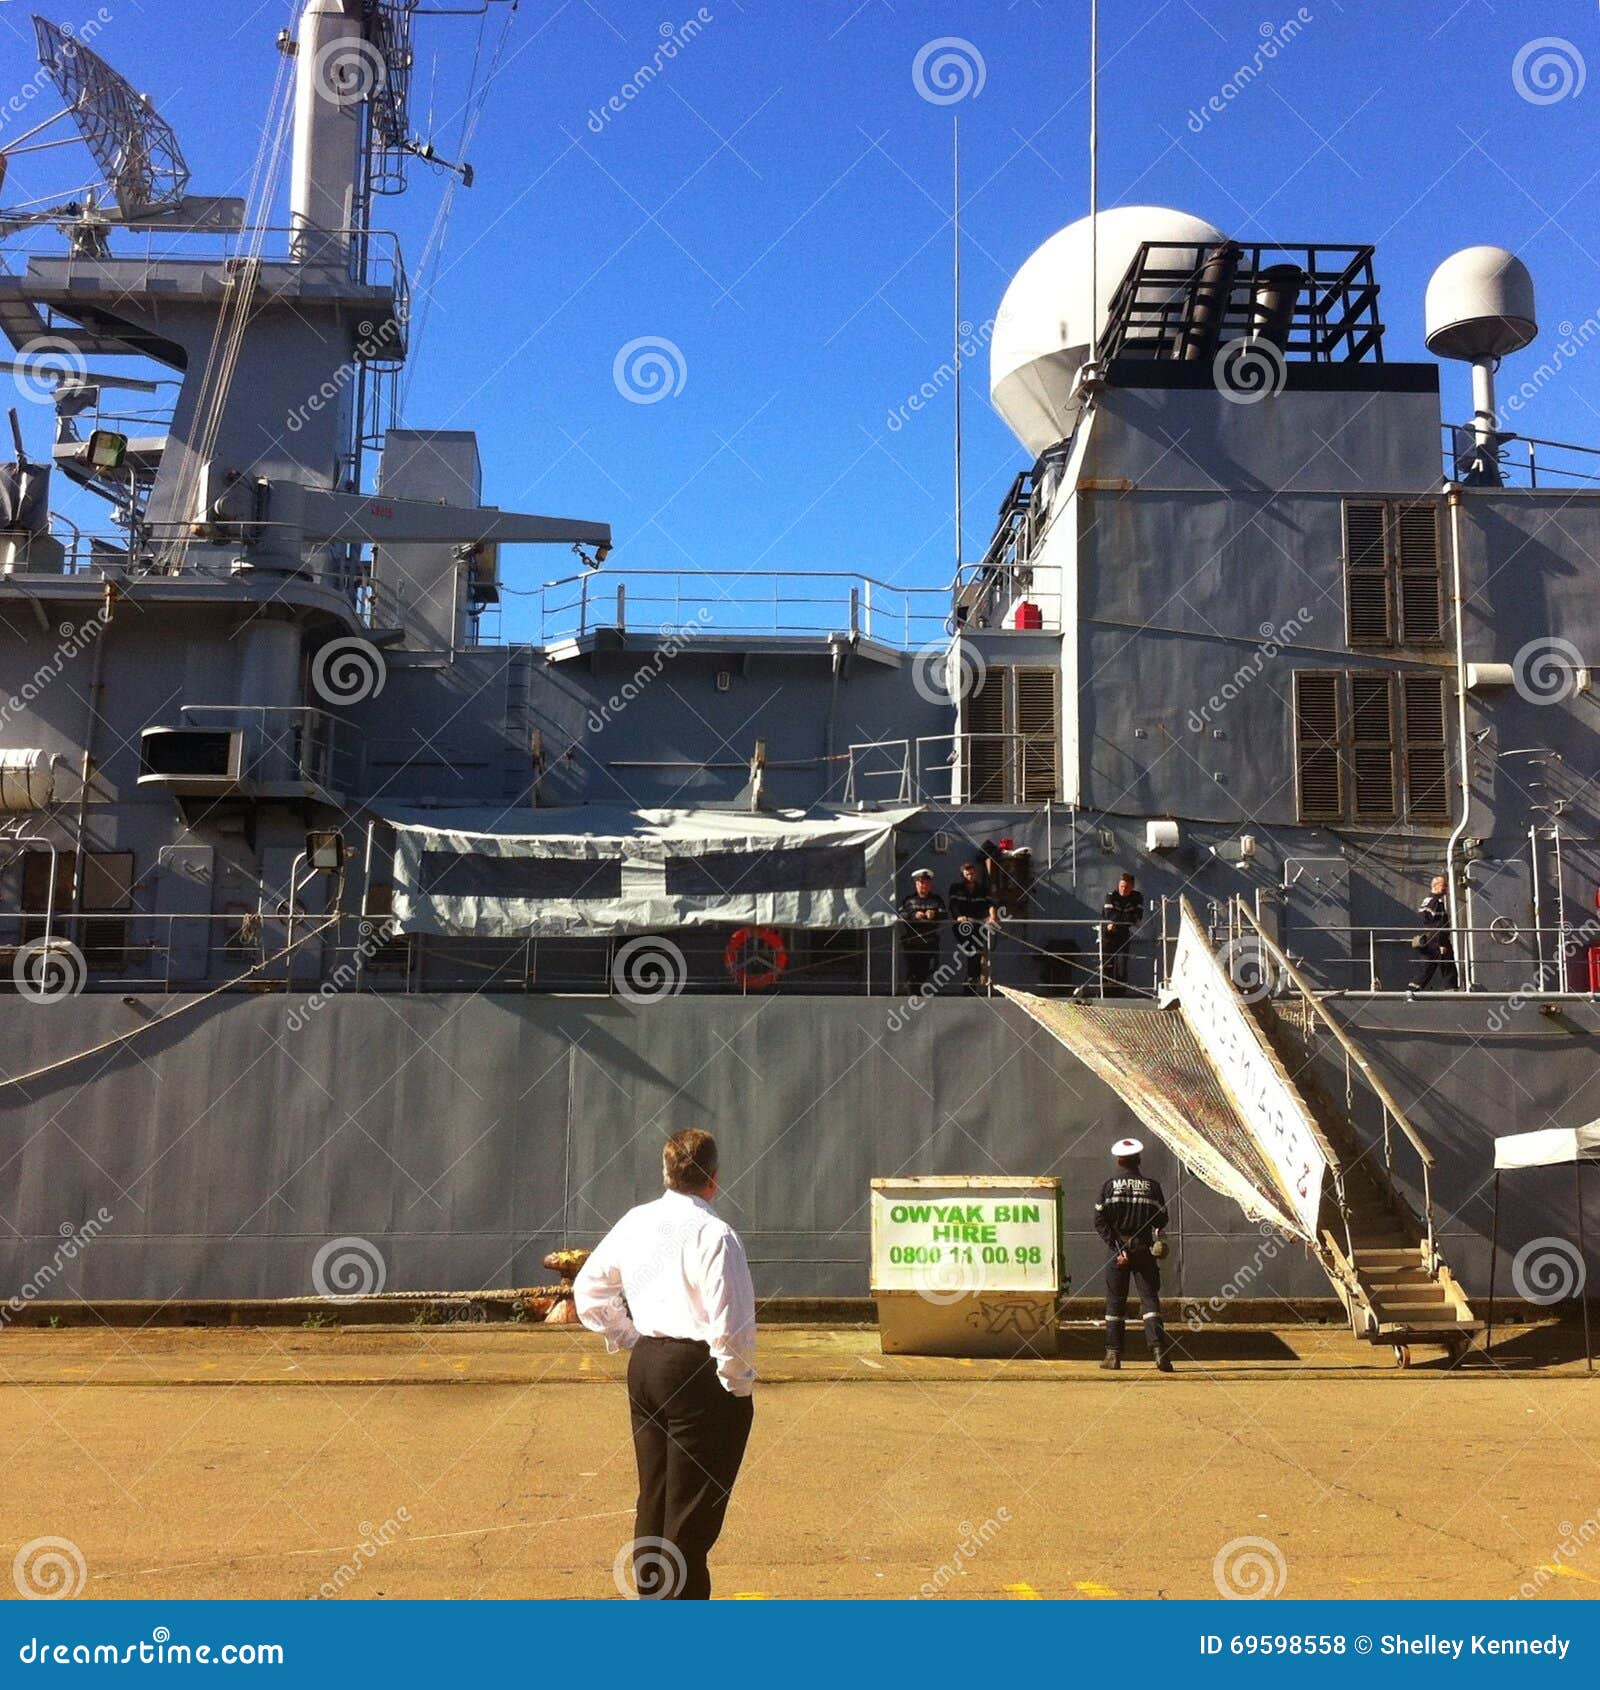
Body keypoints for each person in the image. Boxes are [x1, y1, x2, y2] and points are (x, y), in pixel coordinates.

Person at [574, 1128, 756, 1600]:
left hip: (649, 1364)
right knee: (691, 1513)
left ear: (665, 1172)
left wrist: (629, 1335)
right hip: (697, 1371)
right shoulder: (715, 1234)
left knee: (655, 1495)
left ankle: (651, 1597)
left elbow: (588, 1291)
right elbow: (730, 1325)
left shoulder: (636, 1220)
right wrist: (737, 1386)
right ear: (713, 1180)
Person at [1093, 1136, 1174, 1372]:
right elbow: (1161, 1218)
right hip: (1144, 1251)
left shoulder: (1109, 1187)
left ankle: (1113, 1355)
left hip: (1118, 1252)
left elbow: (1100, 1221)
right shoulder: (1153, 1187)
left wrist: (1118, 1248)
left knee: (1115, 1303)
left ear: (1120, 1160)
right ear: (1139, 1160)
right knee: (1150, 1302)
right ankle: (1160, 1353)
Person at [947, 859, 995, 995]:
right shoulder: (956, 888)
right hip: (962, 926)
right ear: (962, 875)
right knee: (972, 951)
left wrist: (992, 917)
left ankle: (971, 985)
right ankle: (971, 983)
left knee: (976, 953)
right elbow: (953, 905)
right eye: (967, 874)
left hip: (978, 926)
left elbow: (990, 904)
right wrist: (959, 916)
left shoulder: (982, 889)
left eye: (972, 874)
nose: (970, 876)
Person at [898, 867, 945, 990]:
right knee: (913, 969)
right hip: (912, 942)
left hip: (929, 942)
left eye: (926, 883)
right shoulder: (909, 900)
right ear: (916, 884)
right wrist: (914, 915)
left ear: (930, 885)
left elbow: (944, 914)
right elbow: (901, 914)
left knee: (926, 970)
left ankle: (915, 992)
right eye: (920, 882)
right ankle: (913, 993)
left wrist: (934, 914)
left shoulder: (936, 900)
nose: (923, 885)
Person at [1410, 873, 1458, 990]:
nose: (1446, 888)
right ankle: (1451, 990)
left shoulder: (1427, 901)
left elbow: (1425, 919)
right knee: (1448, 967)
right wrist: (1441, 943)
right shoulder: (1437, 903)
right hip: (1437, 940)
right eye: (1444, 885)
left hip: (1429, 938)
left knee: (1427, 967)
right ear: (1436, 886)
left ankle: (1412, 989)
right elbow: (1439, 924)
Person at [1101, 872, 1145, 992]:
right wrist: (1127, 918)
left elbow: (1137, 916)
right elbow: (1109, 914)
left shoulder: (1137, 897)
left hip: (1123, 933)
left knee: (1122, 964)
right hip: (1109, 934)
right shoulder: (1111, 896)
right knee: (1108, 963)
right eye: (1121, 886)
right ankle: (1106, 991)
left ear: (1132, 887)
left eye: (1126, 887)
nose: (1123, 889)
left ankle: (1120, 991)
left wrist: (1122, 920)